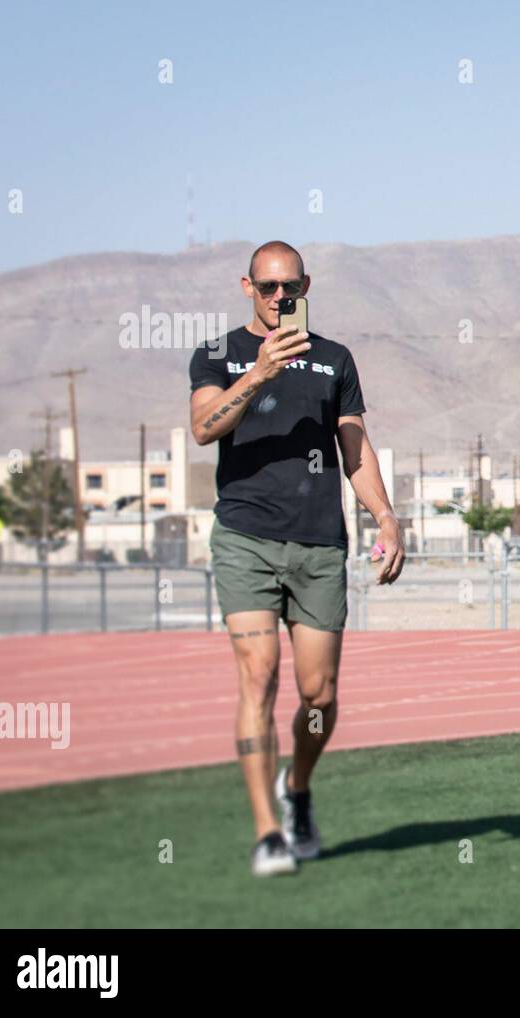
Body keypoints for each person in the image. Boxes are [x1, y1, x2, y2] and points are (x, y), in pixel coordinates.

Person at [189, 240, 404, 876]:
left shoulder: (335, 359)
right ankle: (266, 834)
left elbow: (355, 450)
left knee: (318, 693)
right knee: (258, 676)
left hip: (317, 544)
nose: (281, 298)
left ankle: (298, 787)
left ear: (306, 286)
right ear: (247, 287)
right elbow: (203, 429)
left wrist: (387, 518)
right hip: (245, 539)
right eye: (268, 288)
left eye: (292, 288)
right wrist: (256, 374)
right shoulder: (217, 354)